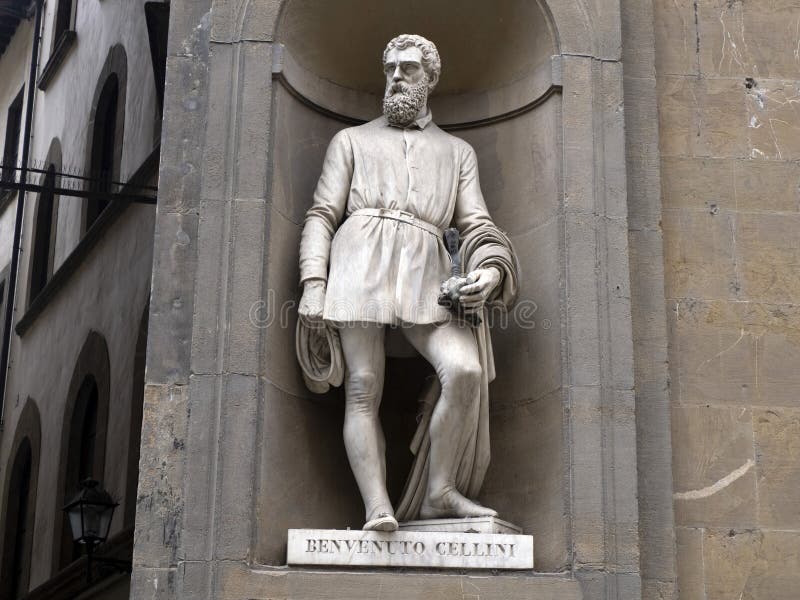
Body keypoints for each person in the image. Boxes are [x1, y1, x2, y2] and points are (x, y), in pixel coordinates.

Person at [297, 34, 518, 532]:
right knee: (362, 385)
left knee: (464, 370)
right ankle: (377, 506)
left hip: (428, 270)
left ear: (430, 78)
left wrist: (488, 271)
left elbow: (477, 223)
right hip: (359, 258)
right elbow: (322, 214)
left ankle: (439, 490)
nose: (397, 76)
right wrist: (314, 280)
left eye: (410, 68)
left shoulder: (457, 152)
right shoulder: (350, 140)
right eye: (391, 67)